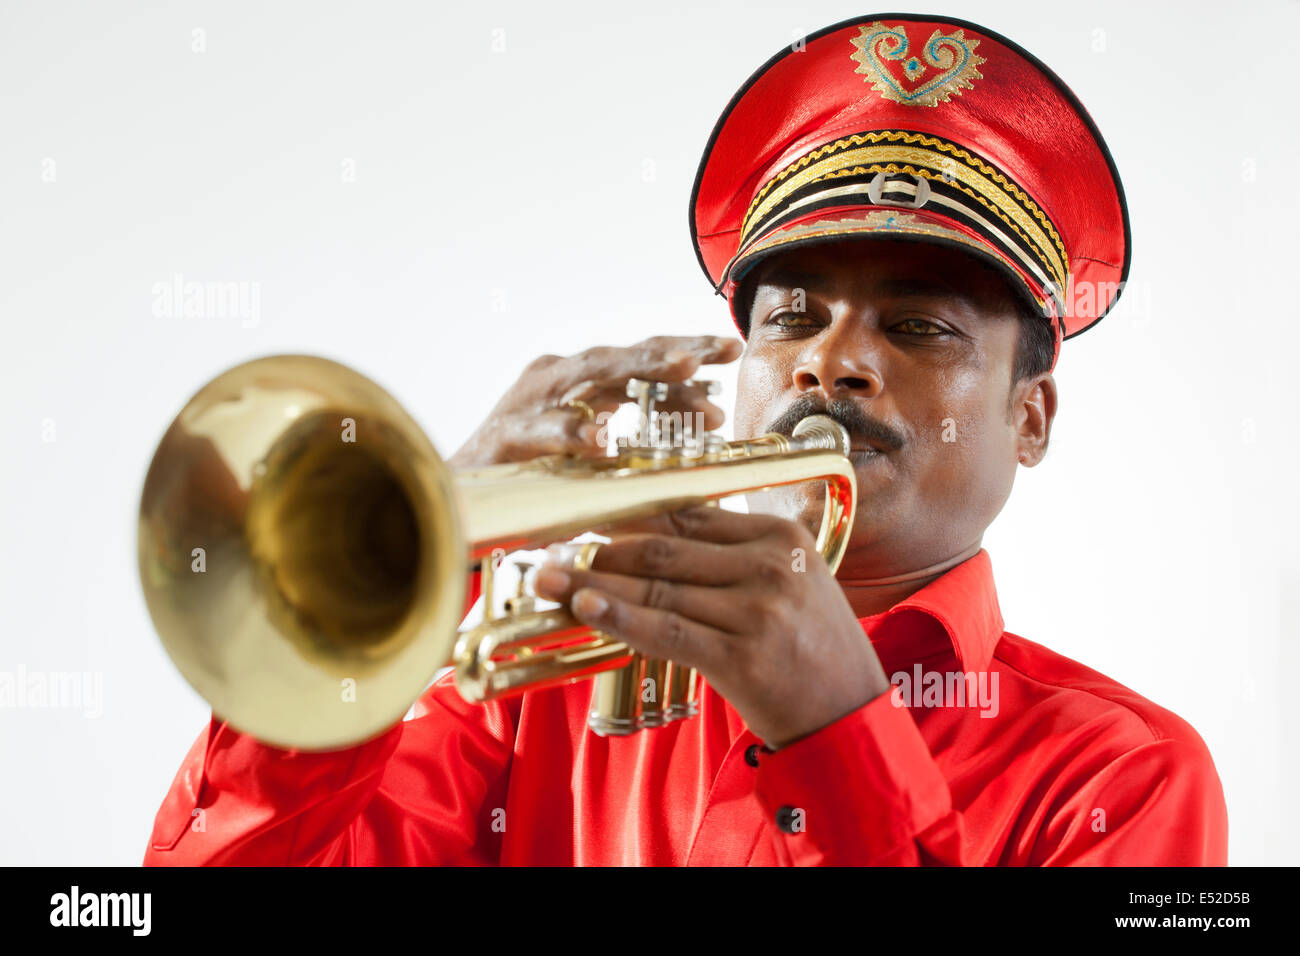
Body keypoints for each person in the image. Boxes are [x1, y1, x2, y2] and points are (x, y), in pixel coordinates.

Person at [143, 13, 1227, 865]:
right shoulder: (528, 699)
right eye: (791, 317)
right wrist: (426, 552)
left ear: (1027, 419)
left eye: (916, 326)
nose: (828, 362)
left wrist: (835, 734)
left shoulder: (1123, 776)